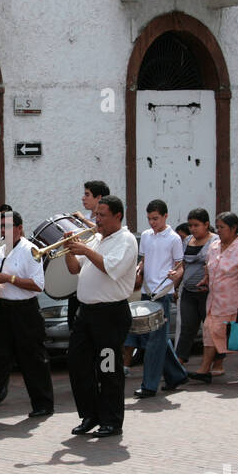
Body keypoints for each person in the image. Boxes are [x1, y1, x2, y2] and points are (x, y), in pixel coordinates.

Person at [0, 211, 55, 422]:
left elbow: (38, 285)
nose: (4, 231)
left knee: (33, 360)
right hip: (3, 309)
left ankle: (43, 404)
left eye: (8, 226)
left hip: (25, 311)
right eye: (1, 227)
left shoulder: (30, 250)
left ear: (19, 228)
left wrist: (9, 278)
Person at [64, 194, 137, 438]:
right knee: (77, 364)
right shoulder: (96, 238)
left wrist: (83, 248)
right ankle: (90, 414)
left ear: (118, 215)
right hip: (86, 314)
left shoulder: (125, 240)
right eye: (96, 215)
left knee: (107, 368)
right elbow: (75, 269)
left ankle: (112, 420)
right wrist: (68, 251)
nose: (98, 220)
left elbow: (110, 268)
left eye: (102, 215)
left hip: (110, 315)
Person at [188, 213, 238, 384]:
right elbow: (209, 266)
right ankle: (205, 369)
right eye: (218, 227)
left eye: (222, 227)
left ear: (233, 228)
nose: (218, 231)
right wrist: (206, 279)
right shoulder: (214, 247)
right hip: (215, 300)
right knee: (210, 329)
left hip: (236, 302)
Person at [132, 199, 187, 398]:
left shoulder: (173, 238)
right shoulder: (146, 236)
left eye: (155, 218)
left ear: (165, 216)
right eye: (149, 219)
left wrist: (176, 275)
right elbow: (143, 260)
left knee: (155, 341)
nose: (152, 222)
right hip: (147, 291)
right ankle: (177, 374)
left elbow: (180, 265)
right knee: (154, 338)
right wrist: (139, 269)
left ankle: (149, 385)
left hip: (163, 292)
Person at [68, 180, 110, 330]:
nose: (83, 198)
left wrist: (83, 220)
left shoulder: (104, 221)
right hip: (79, 283)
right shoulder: (82, 218)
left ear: (99, 198)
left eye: (87, 195)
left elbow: (102, 231)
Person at [175, 208, 214, 362]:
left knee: (210, 328)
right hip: (189, 291)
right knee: (187, 327)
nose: (193, 229)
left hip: (207, 292)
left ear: (206, 224)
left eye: (196, 225)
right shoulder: (187, 240)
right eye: (190, 225)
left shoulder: (215, 241)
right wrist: (176, 285)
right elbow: (182, 265)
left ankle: (216, 362)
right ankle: (180, 362)